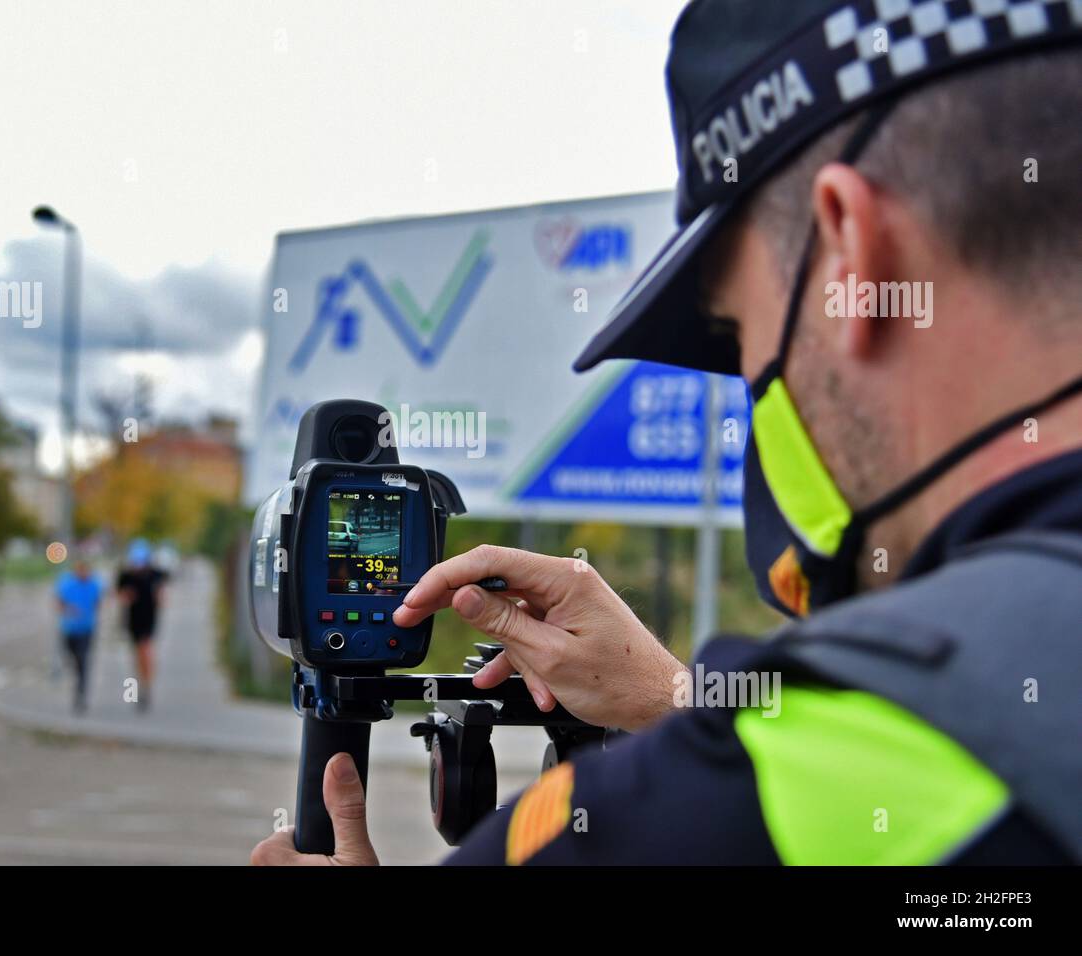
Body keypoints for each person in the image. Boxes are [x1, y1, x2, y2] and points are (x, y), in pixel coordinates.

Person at [253, 0, 1082, 866]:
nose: (755, 381)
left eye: (738, 332)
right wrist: (672, 695)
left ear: (855, 261)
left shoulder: (718, 806)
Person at [116, 538, 168, 712]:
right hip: (133, 619)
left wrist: (159, 595)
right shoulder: (126, 575)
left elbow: (162, 594)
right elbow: (120, 595)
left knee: (145, 650)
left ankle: (145, 687)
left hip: (149, 618)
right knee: (136, 654)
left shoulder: (155, 574)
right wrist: (126, 595)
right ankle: (137, 687)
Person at [53, 558, 104, 715]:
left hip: (87, 629)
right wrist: (69, 610)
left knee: (83, 661)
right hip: (69, 629)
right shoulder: (67, 584)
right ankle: (77, 679)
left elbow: (98, 603)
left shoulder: (94, 585)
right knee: (72, 658)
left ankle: (80, 695)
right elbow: (59, 603)